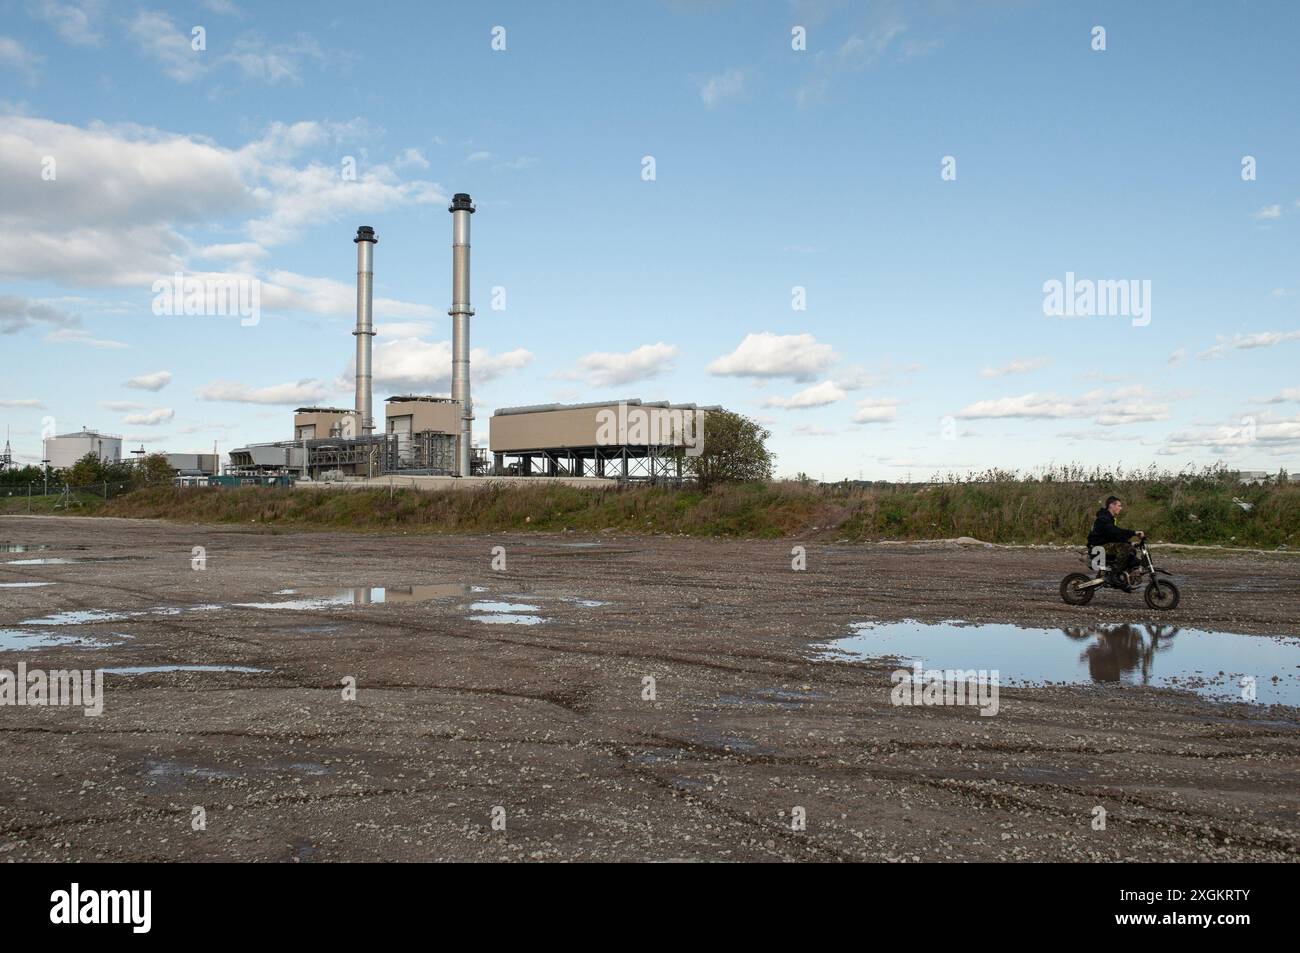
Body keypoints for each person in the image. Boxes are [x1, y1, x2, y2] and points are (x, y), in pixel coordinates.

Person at [1087, 495, 1144, 587]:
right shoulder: (1103, 518)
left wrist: (1130, 542)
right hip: (1097, 547)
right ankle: (1114, 575)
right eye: (1119, 505)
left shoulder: (1109, 518)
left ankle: (1124, 579)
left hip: (1104, 545)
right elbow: (1115, 532)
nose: (1120, 508)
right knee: (1126, 548)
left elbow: (1114, 536)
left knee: (1131, 550)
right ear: (1111, 506)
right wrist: (1134, 533)